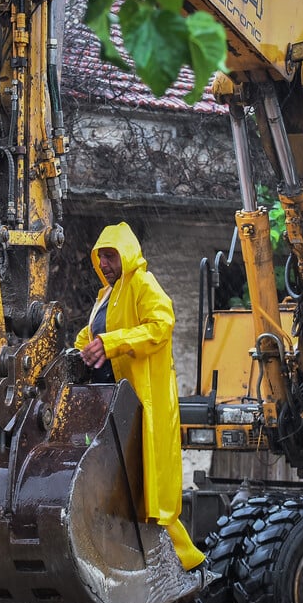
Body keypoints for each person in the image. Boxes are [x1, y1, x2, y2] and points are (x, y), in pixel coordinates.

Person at [73, 221, 208, 578]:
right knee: (120, 485)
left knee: (149, 492)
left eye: (111, 256)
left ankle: (187, 563)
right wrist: (76, 352)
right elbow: (90, 336)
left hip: (139, 406)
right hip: (110, 406)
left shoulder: (142, 285)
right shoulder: (106, 295)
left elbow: (161, 325)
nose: (104, 263)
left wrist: (113, 343)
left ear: (127, 255)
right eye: (100, 256)